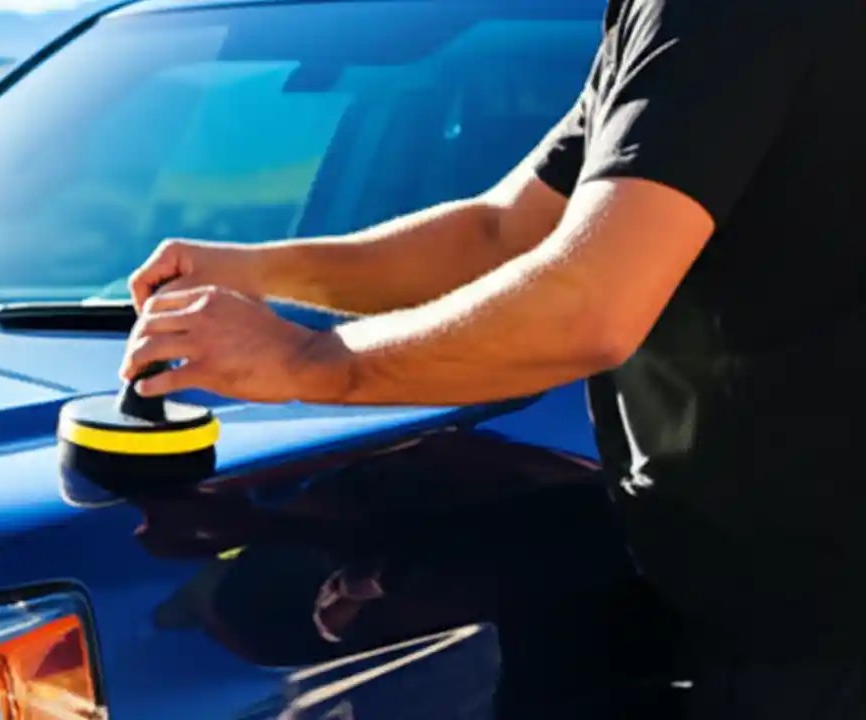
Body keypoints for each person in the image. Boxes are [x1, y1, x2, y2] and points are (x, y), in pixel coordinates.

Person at [121, 0, 866, 716]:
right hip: (754, 610)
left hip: (821, 627)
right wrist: (258, 272)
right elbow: (504, 233)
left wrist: (311, 360)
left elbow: (588, 305)